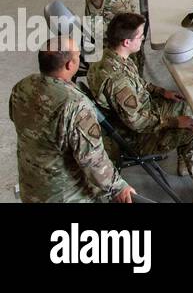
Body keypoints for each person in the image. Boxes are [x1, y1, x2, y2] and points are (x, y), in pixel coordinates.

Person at [86, 13, 193, 203]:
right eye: (140, 35)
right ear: (126, 42)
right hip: (135, 136)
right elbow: (138, 122)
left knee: (189, 105)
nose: (142, 38)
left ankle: (188, 159)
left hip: (139, 113)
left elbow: (138, 85)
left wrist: (161, 92)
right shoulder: (117, 81)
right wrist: (175, 122)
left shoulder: (110, 58)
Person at [8, 37, 134, 203]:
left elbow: (15, 118)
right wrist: (118, 186)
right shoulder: (75, 105)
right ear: (69, 65)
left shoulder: (22, 86)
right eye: (77, 55)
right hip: (66, 195)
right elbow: (92, 159)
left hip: (31, 187)